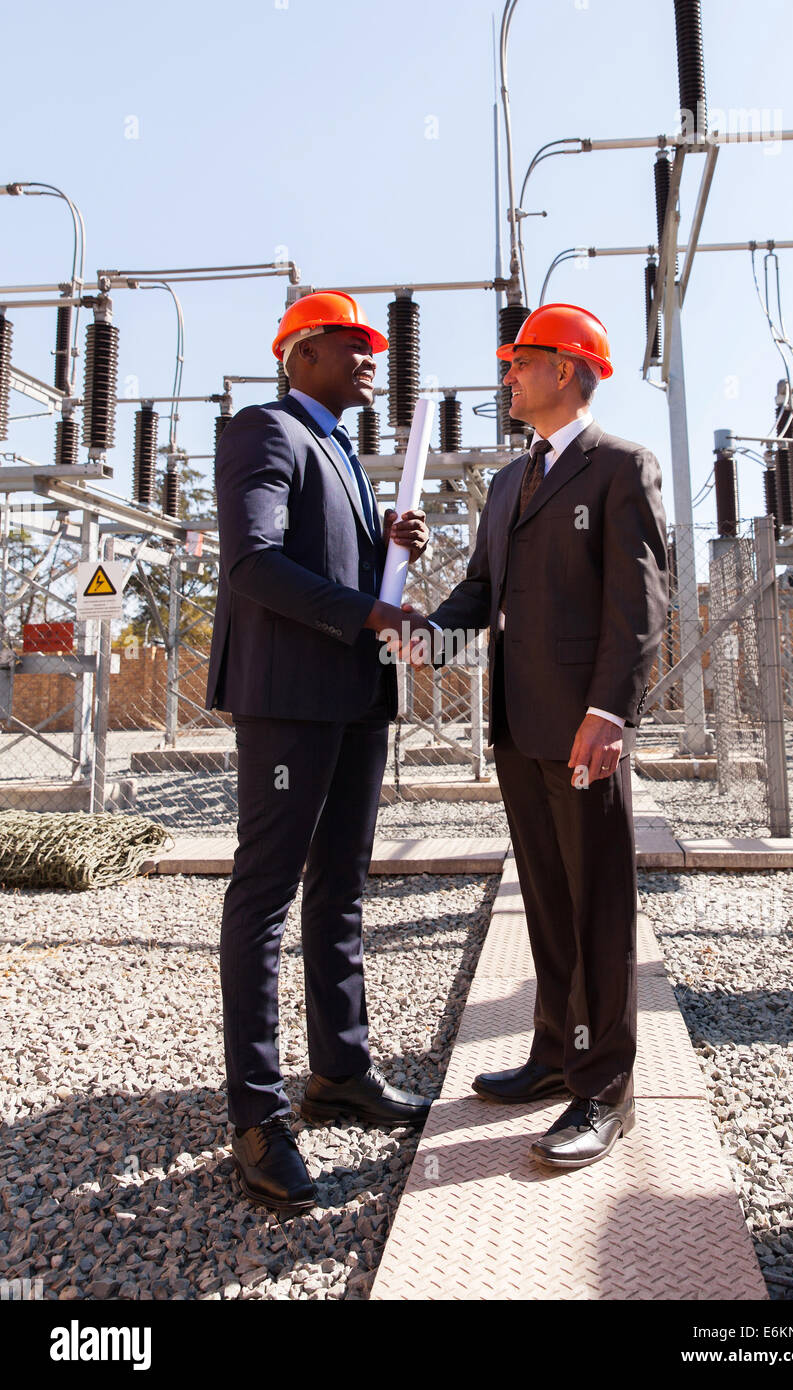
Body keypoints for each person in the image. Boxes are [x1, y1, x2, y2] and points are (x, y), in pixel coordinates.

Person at [412, 303, 668, 1170]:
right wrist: (422, 636)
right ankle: (558, 1053)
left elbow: (638, 604)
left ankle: (605, 1090)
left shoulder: (621, 468)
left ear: (566, 368)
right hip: (521, 726)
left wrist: (610, 711)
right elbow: (480, 593)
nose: (506, 375)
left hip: (582, 728)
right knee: (549, 897)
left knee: (598, 905)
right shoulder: (505, 483)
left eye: (519, 361)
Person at [205, 291, 433, 1214]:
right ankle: (257, 1116)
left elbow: (321, 558)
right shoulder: (263, 430)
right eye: (352, 343)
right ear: (299, 354)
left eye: (375, 347)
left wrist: (383, 551)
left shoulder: (339, 448)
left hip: (349, 697)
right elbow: (252, 561)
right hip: (290, 700)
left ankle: (339, 1070)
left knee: (340, 882)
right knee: (266, 891)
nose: (370, 357)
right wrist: (368, 610)